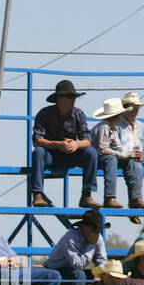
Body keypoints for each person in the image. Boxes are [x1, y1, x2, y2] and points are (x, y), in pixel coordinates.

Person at [29, 80, 99, 209]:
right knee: (38, 152)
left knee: (91, 152)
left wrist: (76, 144)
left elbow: (88, 140)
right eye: (70, 97)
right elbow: (37, 141)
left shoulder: (78, 114)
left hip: (70, 154)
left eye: (74, 97)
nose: (73, 100)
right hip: (50, 155)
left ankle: (87, 195)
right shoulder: (44, 113)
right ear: (60, 98)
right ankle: (37, 194)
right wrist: (58, 144)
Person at [43, 209, 108, 285]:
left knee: (107, 276)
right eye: (94, 228)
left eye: (99, 228)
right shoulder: (70, 238)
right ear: (84, 227)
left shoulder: (98, 237)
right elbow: (78, 264)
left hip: (73, 271)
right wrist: (91, 245)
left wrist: (100, 273)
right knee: (79, 274)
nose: (97, 231)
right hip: (55, 270)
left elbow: (102, 260)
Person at [90, 97, 130, 210]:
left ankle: (135, 199)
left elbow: (118, 146)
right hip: (96, 157)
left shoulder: (113, 128)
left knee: (130, 162)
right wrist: (123, 155)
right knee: (111, 159)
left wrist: (128, 155)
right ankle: (109, 197)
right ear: (116, 116)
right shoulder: (104, 127)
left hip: (102, 156)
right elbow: (102, 149)